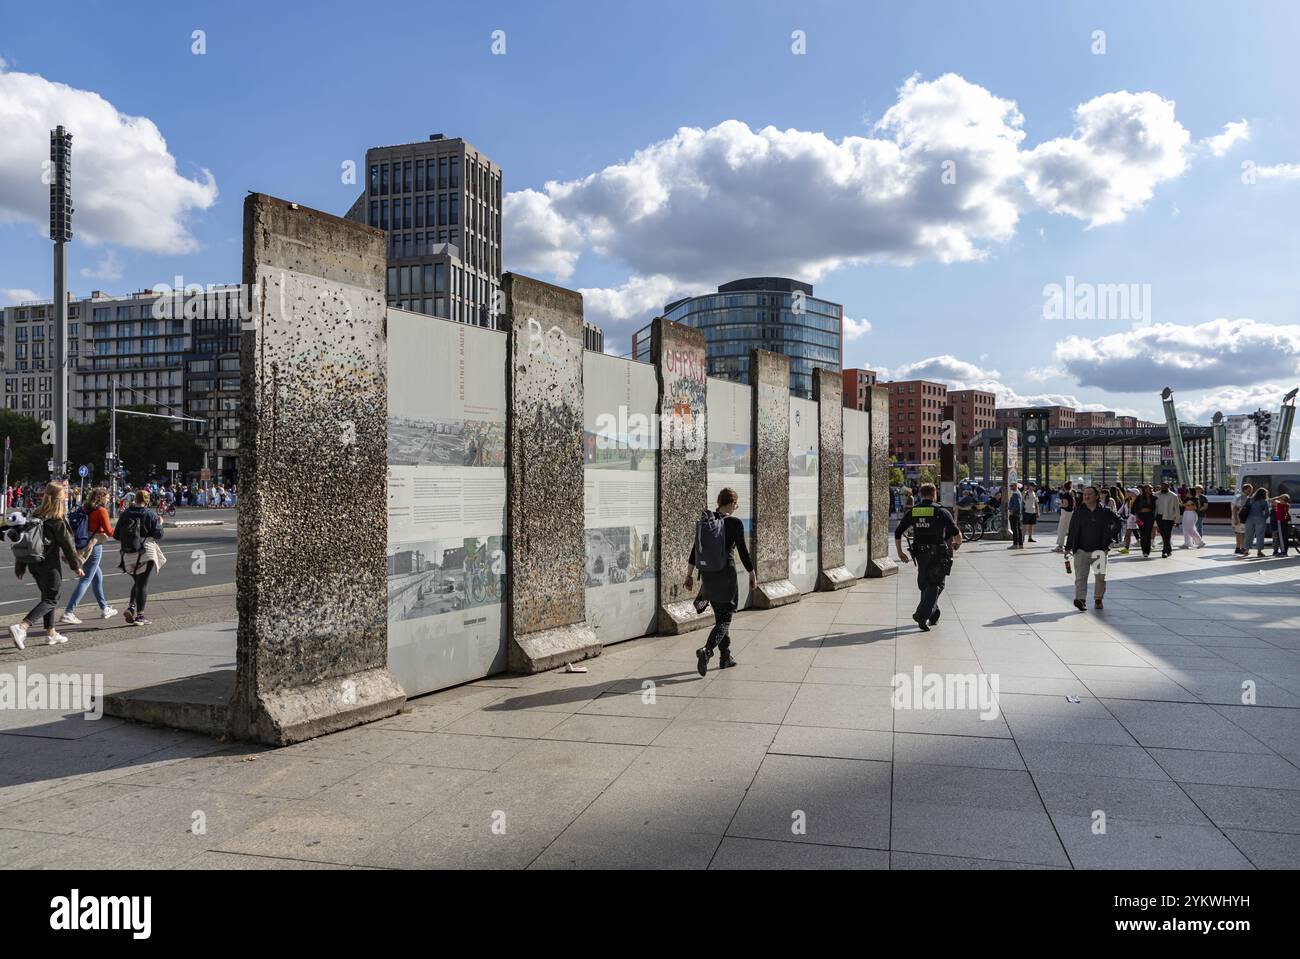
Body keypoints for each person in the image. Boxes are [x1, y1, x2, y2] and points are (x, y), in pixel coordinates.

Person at [684, 487, 754, 676]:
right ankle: (707, 651)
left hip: (708, 575)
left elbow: (695, 550)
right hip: (726, 575)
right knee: (726, 618)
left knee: (720, 616)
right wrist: (751, 572)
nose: (735, 508)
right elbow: (743, 551)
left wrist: (689, 575)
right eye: (736, 504)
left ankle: (726, 657)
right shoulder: (734, 523)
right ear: (730, 503)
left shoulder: (707, 522)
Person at [8, 482, 86, 649]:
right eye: (64, 494)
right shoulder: (57, 519)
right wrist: (76, 566)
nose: (66, 496)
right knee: (52, 598)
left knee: (47, 597)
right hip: (49, 564)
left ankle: (51, 633)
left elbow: (24, 541)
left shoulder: (35, 514)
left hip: (33, 563)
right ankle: (22, 627)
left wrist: (20, 566)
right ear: (60, 498)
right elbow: (68, 545)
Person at [894, 482, 961, 631]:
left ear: (921, 494)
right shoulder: (941, 511)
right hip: (938, 553)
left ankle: (934, 613)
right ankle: (922, 615)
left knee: (925, 583)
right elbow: (956, 533)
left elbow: (898, 532)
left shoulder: (914, 511)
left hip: (920, 554)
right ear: (934, 494)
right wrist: (957, 545)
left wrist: (899, 552)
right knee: (937, 584)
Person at [59, 486, 119, 624]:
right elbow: (109, 531)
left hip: (81, 544)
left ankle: (104, 608)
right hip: (94, 545)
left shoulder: (85, 508)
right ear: (102, 497)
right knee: (85, 580)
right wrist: (124, 533)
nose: (109, 500)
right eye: (108, 498)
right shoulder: (101, 510)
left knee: (98, 577)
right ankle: (69, 612)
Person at [114, 488, 167, 626]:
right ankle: (140, 616)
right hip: (145, 552)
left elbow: (116, 535)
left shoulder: (126, 514)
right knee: (142, 584)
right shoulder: (149, 514)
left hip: (128, 553)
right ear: (147, 500)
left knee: (137, 582)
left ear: (134, 499)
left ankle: (131, 607)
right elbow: (158, 535)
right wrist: (160, 524)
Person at [1065, 485, 1121, 611]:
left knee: (1100, 577)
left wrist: (1110, 537)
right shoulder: (1078, 511)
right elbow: (1072, 530)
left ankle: (1098, 599)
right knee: (1080, 577)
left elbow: (1118, 522)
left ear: (1097, 496)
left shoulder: (1105, 511)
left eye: (1089, 494)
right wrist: (1068, 547)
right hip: (1081, 550)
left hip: (1099, 551)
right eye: (1085, 494)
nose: (1086, 496)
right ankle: (1081, 600)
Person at [1242, 487, 1270, 558]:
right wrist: (1264, 518)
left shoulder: (1250, 499)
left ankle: (1246, 551)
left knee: (1248, 535)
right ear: (1264, 494)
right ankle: (1259, 552)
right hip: (1260, 519)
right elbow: (1267, 512)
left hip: (1249, 519)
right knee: (1260, 535)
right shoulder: (1264, 501)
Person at [1155, 482, 1181, 558]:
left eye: (1164, 486)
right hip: (1159, 517)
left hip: (1169, 517)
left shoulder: (1173, 496)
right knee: (1163, 535)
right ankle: (1168, 549)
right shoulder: (1156, 494)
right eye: (1162, 486)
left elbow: (1177, 509)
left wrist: (1177, 521)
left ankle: (1164, 551)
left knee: (1167, 534)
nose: (1163, 488)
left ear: (1168, 487)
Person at [1054, 481, 1075, 552]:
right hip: (1070, 512)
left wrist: (1059, 503)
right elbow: (1073, 504)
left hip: (1065, 513)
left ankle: (1060, 546)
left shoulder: (1065, 494)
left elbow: (1065, 505)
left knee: (1062, 529)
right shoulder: (1071, 494)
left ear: (1064, 487)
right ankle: (1071, 545)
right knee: (1069, 529)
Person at [1233, 483, 1254, 555]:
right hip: (1240, 518)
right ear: (1244, 490)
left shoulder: (1238, 496)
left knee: (1239, 533)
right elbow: (1235, 508)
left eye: (1251, 490)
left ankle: (1238, 548)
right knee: (1242, 533)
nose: (1250, 492)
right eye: (1249, 490)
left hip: (1237, 517)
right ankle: (1242, 548)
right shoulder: (1242, 497)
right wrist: (1236, 518)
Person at [1007, 483, 1024, 549]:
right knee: (1019, 529)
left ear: (1016, 486)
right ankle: (1020, 544)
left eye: (1012, 486)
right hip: (1018, 514)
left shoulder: (1015, 494)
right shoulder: (1018, 493)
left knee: (1015, 529)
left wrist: (1011, 511)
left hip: (1014, 514)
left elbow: (1017, 505)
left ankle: (1015, 544)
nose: (1010, 487)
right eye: (1010, 486)